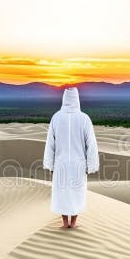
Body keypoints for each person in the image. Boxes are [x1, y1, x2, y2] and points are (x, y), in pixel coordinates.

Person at [43, 87, 99, 228]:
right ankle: (73, 223)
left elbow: (50, 144)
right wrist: (90, 165)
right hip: (78, 165)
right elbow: (91, 144)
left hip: (60, 164)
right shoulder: (84, 119)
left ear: (64, 99)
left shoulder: (56, 117)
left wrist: (50, 164)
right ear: (77, 99)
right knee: (76, 193)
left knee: (62, 193)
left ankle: (64, 222)